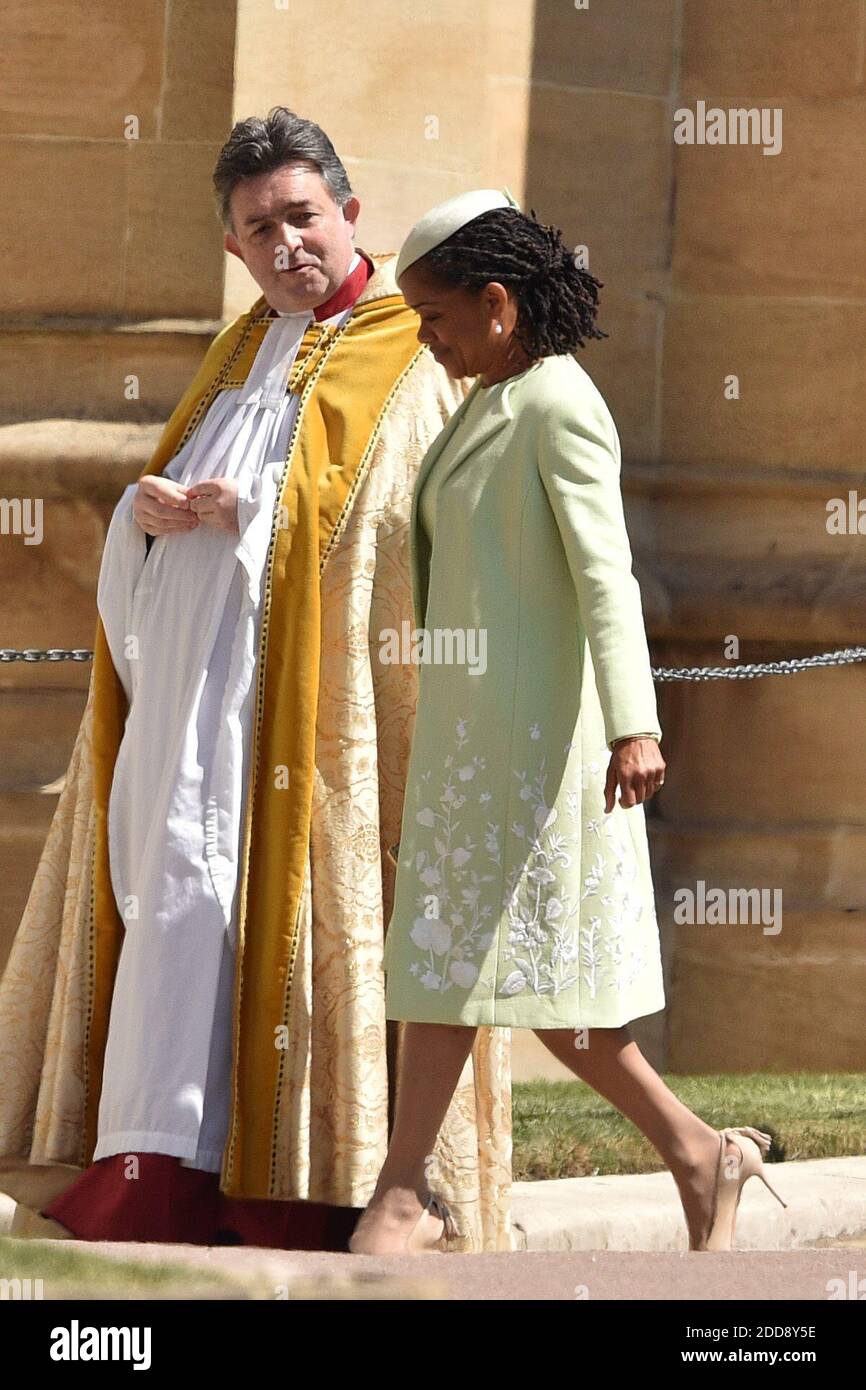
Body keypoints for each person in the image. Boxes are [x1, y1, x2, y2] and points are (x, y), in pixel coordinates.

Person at [0, 116, 512, 1253]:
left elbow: (404, 542)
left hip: (317, 735)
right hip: (189, 711)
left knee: (270, 927)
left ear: (349, 213)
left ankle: (295, 1182)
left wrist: (260, 528)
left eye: (302, 216)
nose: (286, 245)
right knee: (174, 905)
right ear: (232, 248)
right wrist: (144, 519)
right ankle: (154, 1164)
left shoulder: (407, 350)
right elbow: (183, 500)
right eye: (259, 229)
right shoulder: (238, 353)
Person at [348, 189, 787, 1255]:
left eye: (436, 316)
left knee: (545, 989)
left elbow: (605, 575)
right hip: (473, 749)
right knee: (446, 963)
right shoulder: (488, 404)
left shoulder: (557, 402)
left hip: (546, 753)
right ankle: (410, 1189)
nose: (426, 338)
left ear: (496, 306)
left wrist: (634, 725)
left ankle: (690, 1151)